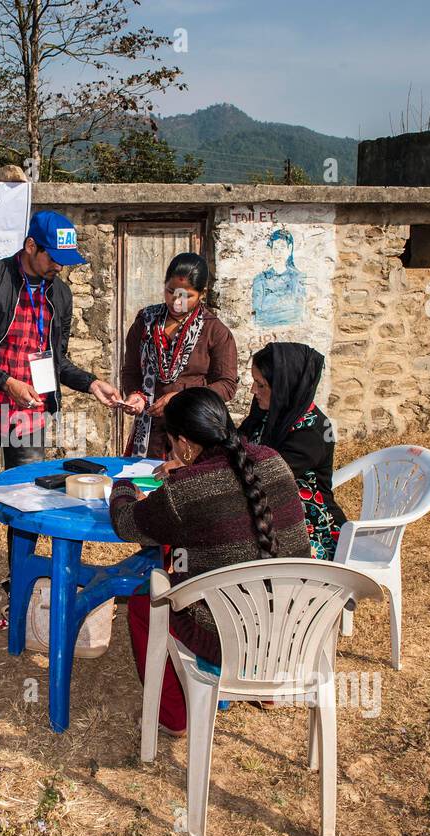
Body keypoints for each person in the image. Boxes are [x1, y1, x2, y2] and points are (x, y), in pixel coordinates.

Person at [0, 210, 123, 625]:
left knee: (27, 506)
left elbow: (56, 361)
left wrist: (91, 382)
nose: (60, 266)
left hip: (31, 418)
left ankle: (18, 582)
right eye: (53, 257)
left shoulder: (59, 294)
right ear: (30, 247)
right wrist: (6, 381)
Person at [109, 387, 311, 736]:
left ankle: (174, 717)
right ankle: (263, 691)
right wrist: (183, 472)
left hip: (230, 637)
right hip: (295, 628)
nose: (172, 451)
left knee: (145, 603)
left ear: (184, 443)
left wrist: (123, 487)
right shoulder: (273, 461)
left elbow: (127, 523)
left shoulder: (186, 490)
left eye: (172, 444)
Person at [118, 252, 238, 458]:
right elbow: (131, 370)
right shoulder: (145, 322)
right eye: (170, 291)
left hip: (192, 435)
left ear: (202, 294)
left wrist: (181, 398)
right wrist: (135, 395)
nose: (176, 302)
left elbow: (227, 384)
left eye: (186, 295)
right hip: (150, 434)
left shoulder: (215, 331)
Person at [237, 342, 348, 561]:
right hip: (269, 512)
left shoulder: (311, 432)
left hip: (309, 530)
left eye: (261, 385)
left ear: (284, 387)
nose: (253, 391)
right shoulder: (267, 414)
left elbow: (260, 477)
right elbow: (234, 444)